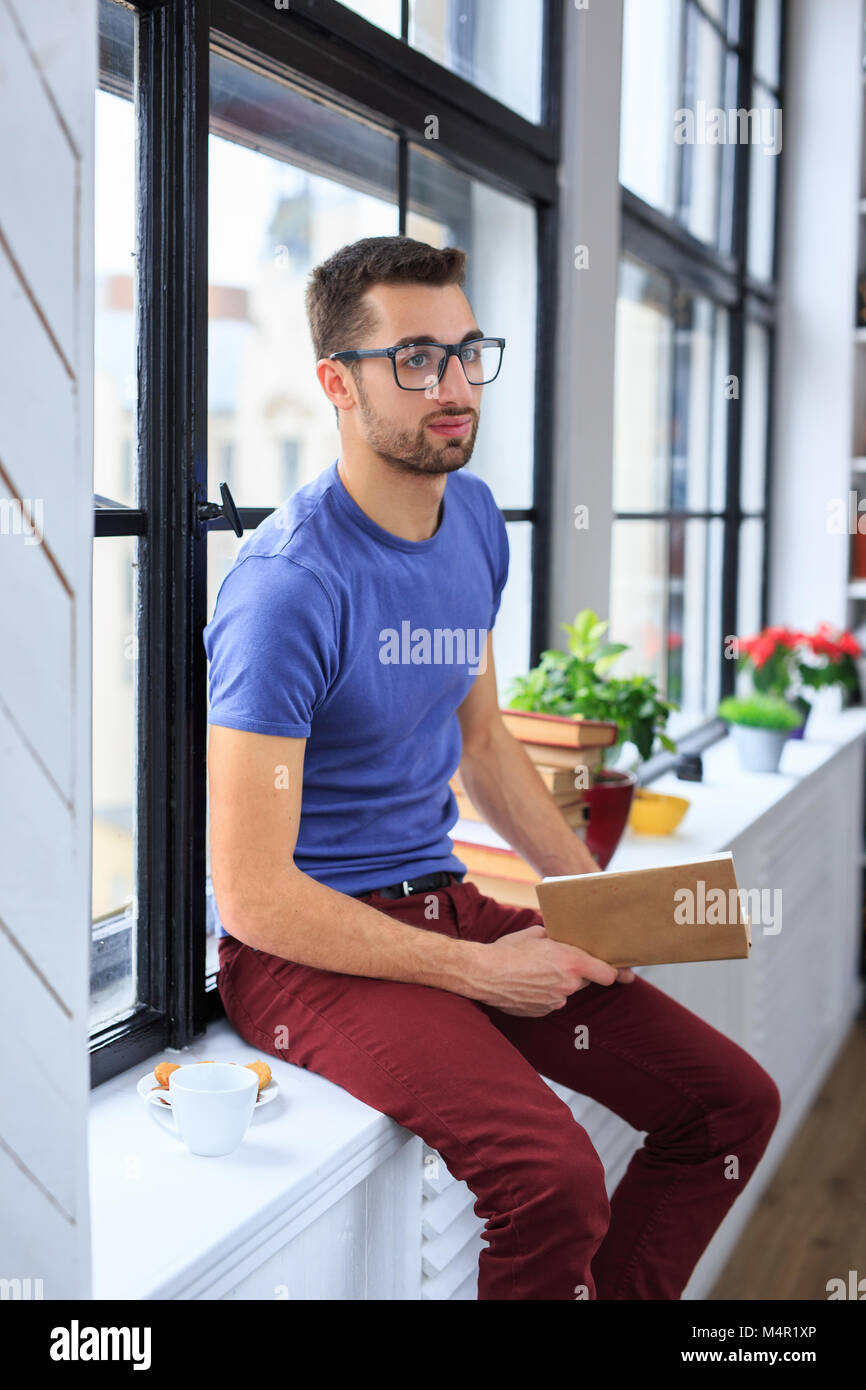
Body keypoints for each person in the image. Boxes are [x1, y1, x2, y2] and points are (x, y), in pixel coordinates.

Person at [203, 235, 780, 1300]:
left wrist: (591, 904)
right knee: (552, 1177)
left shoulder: (469, 518)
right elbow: (249, 896)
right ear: (335, 381)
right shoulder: (286, 588)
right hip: (303, 949)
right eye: (416, 359)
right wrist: (479, 973)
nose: (457, 386)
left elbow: (482, 742)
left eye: (469, 351)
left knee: (728, 1105)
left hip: (441, 903)